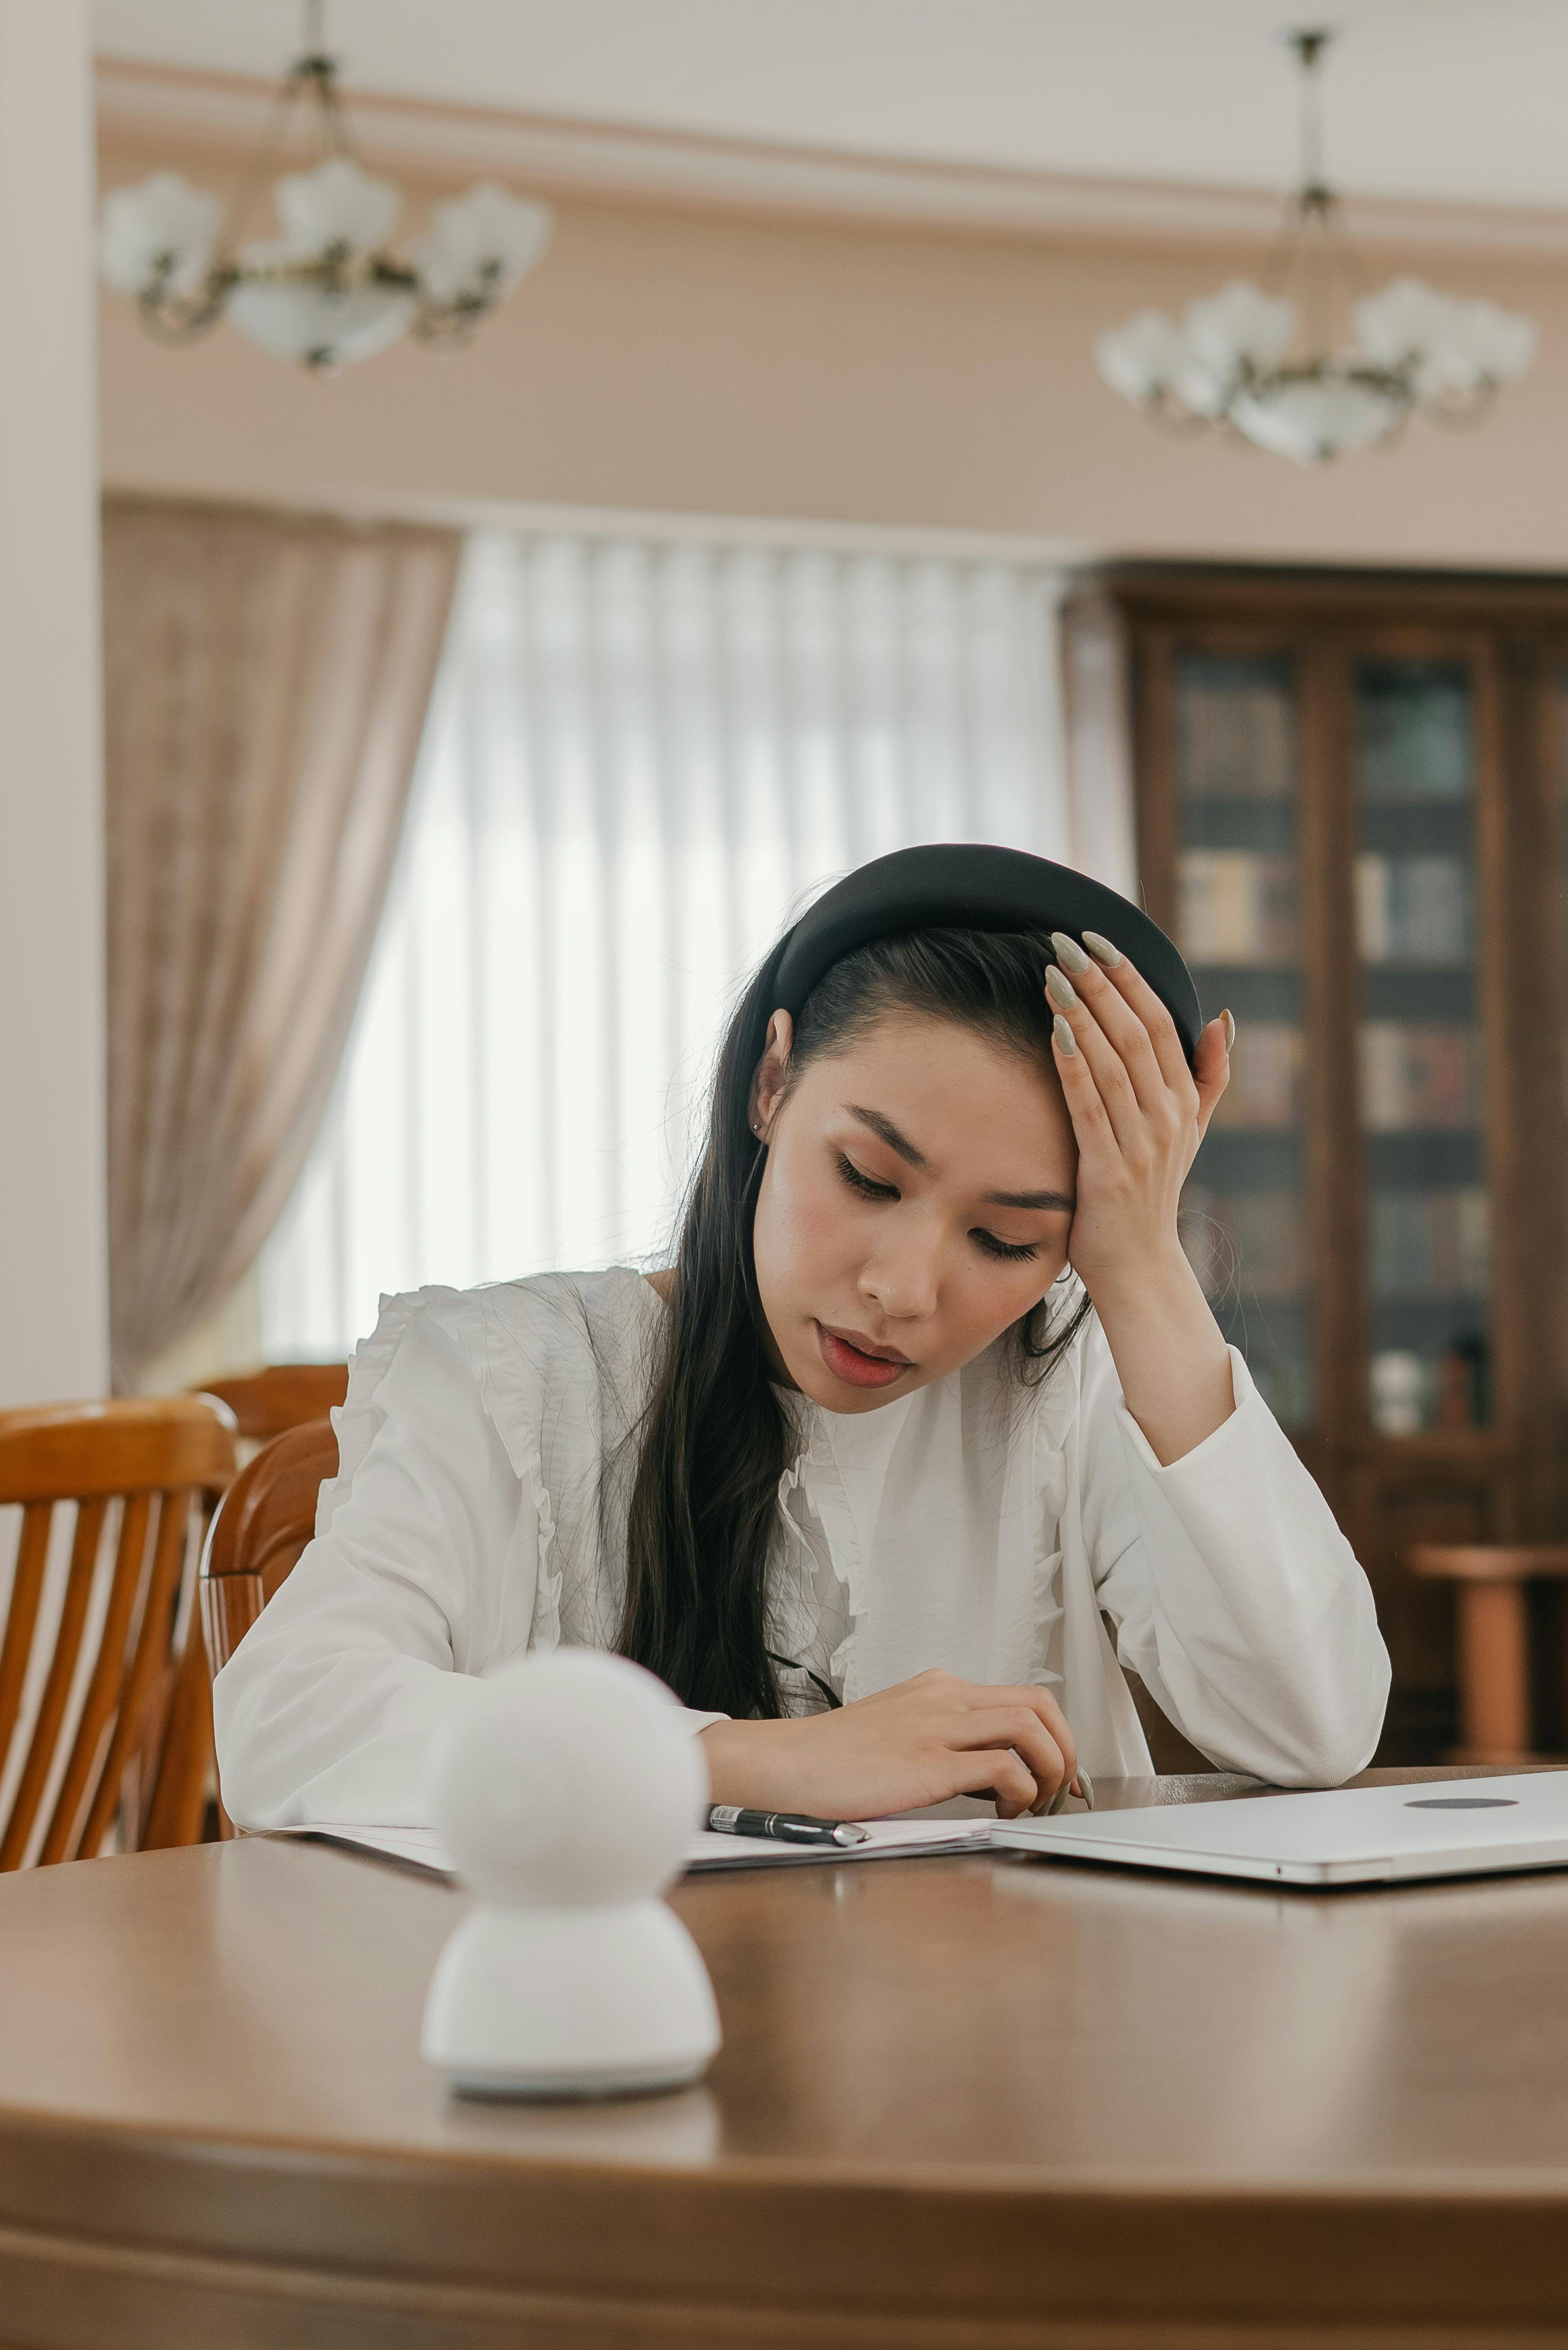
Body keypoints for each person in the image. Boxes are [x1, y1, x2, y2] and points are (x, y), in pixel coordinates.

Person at [215, 845, 1389, 1830]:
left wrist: (1142, 1268)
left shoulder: (1060, 1380)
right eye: (869, 1177)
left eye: (1005, 1239)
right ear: (772, 1083)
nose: (902, 1289)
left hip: (1016, 2066)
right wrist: (751, 1761)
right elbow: (288, 1728)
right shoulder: (519, 1376)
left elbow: (1315, 1726)